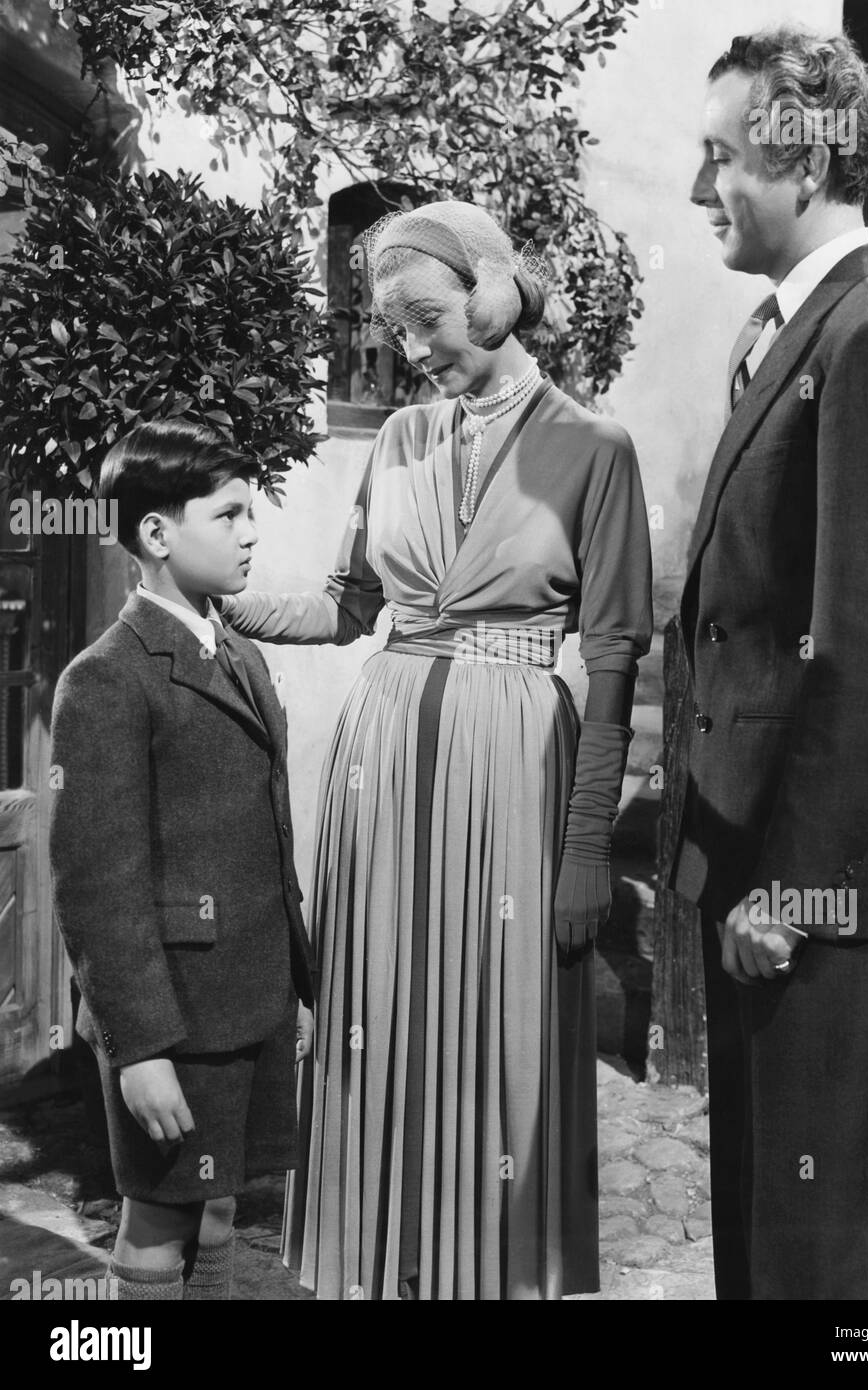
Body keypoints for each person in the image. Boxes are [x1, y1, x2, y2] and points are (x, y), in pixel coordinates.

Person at [219, 200, 653, 1300]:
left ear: (493, 292)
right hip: (382, 762)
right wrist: (215, 600)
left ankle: (495, 1276)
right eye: (391, 332)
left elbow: (610, 658)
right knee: (373, 1024)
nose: (412, 351)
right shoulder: (400, 440)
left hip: (514, 768)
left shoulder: (594, 450)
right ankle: (381, 1273)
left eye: (426, 319)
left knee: (502, 1034)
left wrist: (586, 844)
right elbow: (349, 607)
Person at [671, 26, 868, 1300]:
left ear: (801, 162)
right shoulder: (800, 327)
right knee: (769, 1246)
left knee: (825, 1266)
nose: (699, 189)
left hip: (824, 890)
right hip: (770, 863)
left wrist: (787, 893)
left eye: (719, 157)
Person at [49, 421, 316, 1300]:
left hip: (252, 997)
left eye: (252, 513)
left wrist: (296, 987)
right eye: (229, 513)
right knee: (160, 1216)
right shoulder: (107, 677)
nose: (251, 532)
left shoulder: (236, 652)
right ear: (157, 534)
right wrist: (139, 1049)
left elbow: (267, 835)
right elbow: (97, 885)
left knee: (221, 1207)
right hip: (176, 1016)